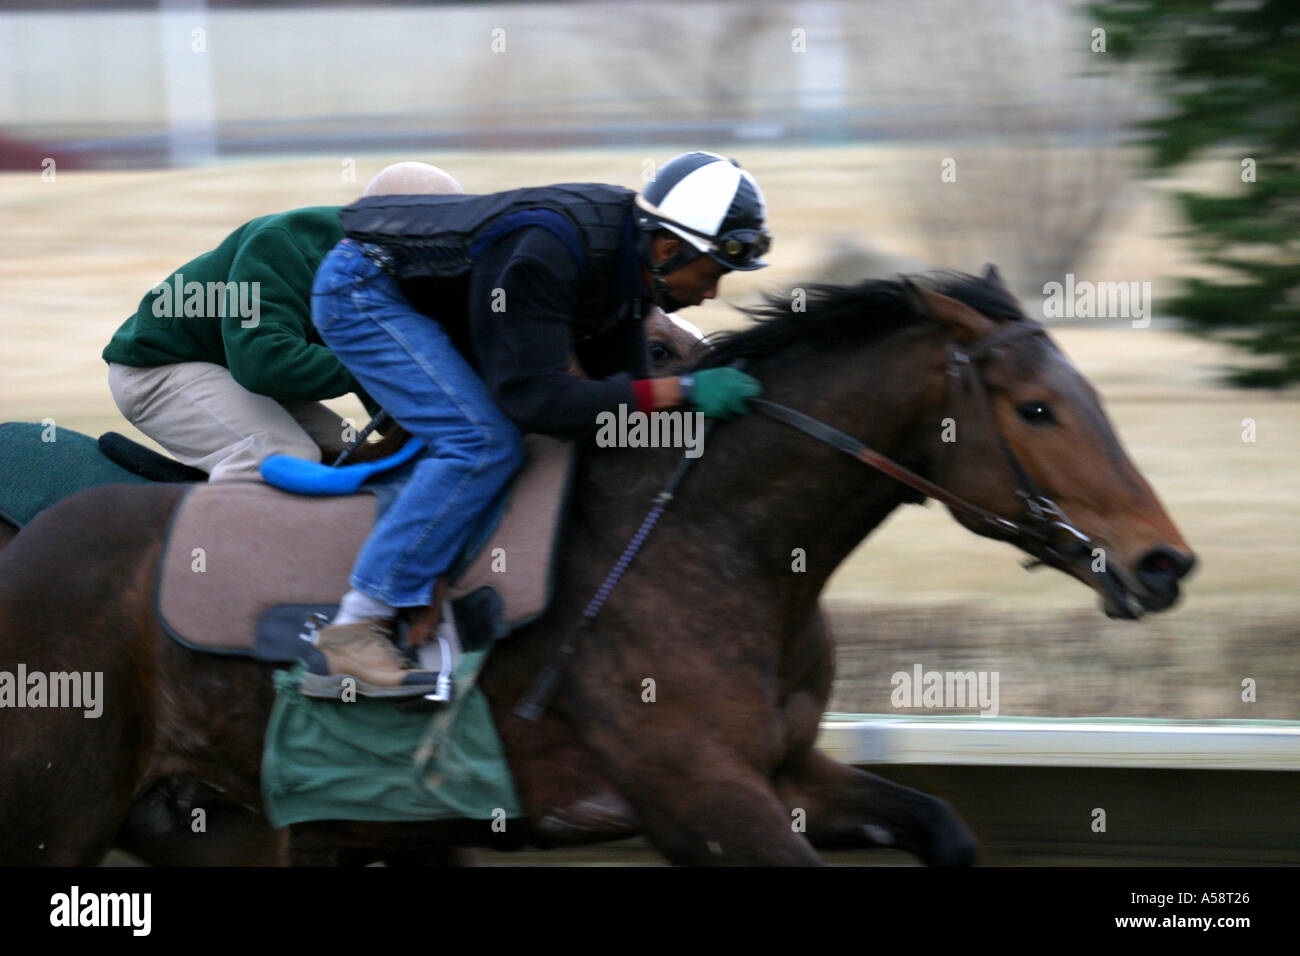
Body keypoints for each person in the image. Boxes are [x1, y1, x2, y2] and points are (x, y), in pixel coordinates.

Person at [304, 151, 769, 697]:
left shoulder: (628, 262)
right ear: (668, 249)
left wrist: (695, 422)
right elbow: (535, 401)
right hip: (362, 291)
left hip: (436, 300)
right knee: (482, 442)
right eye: (711, 274)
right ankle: (355, 629)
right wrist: (683, 390)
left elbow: (615, 405)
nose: (712, 294)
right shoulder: (549, 251)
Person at [101, 163, 464, 481]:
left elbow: (380, 371)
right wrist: (378, 362)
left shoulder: (389, 267)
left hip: (235, 371)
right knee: (286, 458)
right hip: (158, 369)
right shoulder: (283, 244)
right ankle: (212, 539)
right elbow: (261, 362)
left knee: (354, 455)